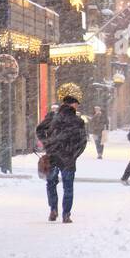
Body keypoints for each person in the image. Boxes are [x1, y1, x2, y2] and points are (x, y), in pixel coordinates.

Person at [37, 95, 88, 223]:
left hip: (53, 156)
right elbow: (83, 141)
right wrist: (75, 154)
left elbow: (39, 130)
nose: (77, 106)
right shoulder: (78, 121)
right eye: (76, 104)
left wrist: (47, 143)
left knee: (51, 184)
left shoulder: (53, 117)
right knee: (68, 187)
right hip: (68, 159)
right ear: (71, 105)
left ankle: (53, 209)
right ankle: (66, 214)